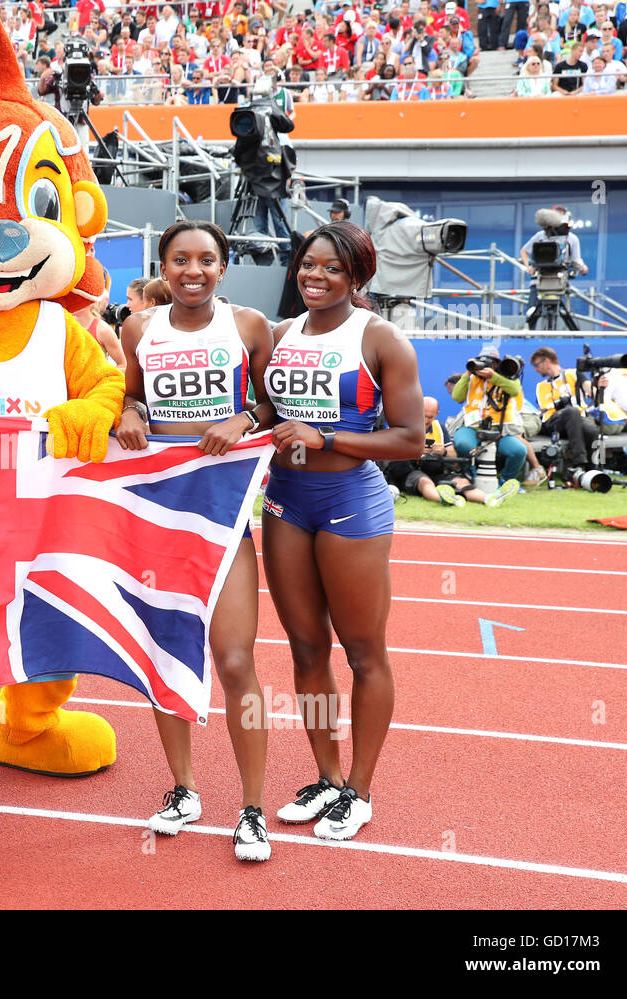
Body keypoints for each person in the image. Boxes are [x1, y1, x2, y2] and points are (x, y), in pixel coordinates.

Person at [117, 222, 276, 861]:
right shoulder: (137, 329)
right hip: (159, 511)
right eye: (181, 259)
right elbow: (130, 394)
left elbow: (271, 404)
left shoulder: (249, 326)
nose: (193, 270)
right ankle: (183, 788)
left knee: (236, 660)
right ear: (163, 265)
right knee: (164, 651)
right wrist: (130, 413)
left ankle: (253, 808)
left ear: (223, 267)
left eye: (206, 260)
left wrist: (243, 418)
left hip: (224, 512)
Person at [261, 221, 423, 841]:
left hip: (351, 501)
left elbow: (411, 438)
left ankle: (359, 789)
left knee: (362, 651)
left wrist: (326, 437)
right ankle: (327, 778)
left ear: (357, 276)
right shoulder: (280, 335)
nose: (315, 276)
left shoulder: (381, 339)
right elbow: (268, 411)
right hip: (285, 503)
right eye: (307, 265)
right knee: (305, 649)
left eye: (331, 268)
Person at [388, 397, 516, 507]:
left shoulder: (439, 427)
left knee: (462, 482)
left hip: (436, 469)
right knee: (425, 482)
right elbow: (392, 453)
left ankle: (490, 499)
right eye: (424, 415)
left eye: (430, 417)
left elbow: (452, 455)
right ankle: (446, 499)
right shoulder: (403, 425)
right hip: (410, 471)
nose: (426, 420)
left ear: (437, 414)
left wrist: (442, 451)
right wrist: (415, 450)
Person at [448, 345, 527, 496]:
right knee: (462, 443)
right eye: (482, 361)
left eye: (491, 362)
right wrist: (467, 372)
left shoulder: (508, 375)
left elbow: (515, 390)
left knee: (518, 450)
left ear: (497, 363)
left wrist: (493, 376)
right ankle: (471, 478)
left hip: (499, 429)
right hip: (472, 427)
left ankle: (507, 481)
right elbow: (457, 397)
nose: (486, 365)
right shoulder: (471, 378)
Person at [530, 346, 603, 470]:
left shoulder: (573, 374)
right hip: (553, 422)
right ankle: (579, 463)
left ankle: (593, 470)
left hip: (578, 419)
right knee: (571, 411)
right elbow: (543, 411)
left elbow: (592, 392)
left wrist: (599, 386)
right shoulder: (540, 386)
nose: (536, 370)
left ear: (546, 361)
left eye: (537, 365)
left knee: (591, 430)